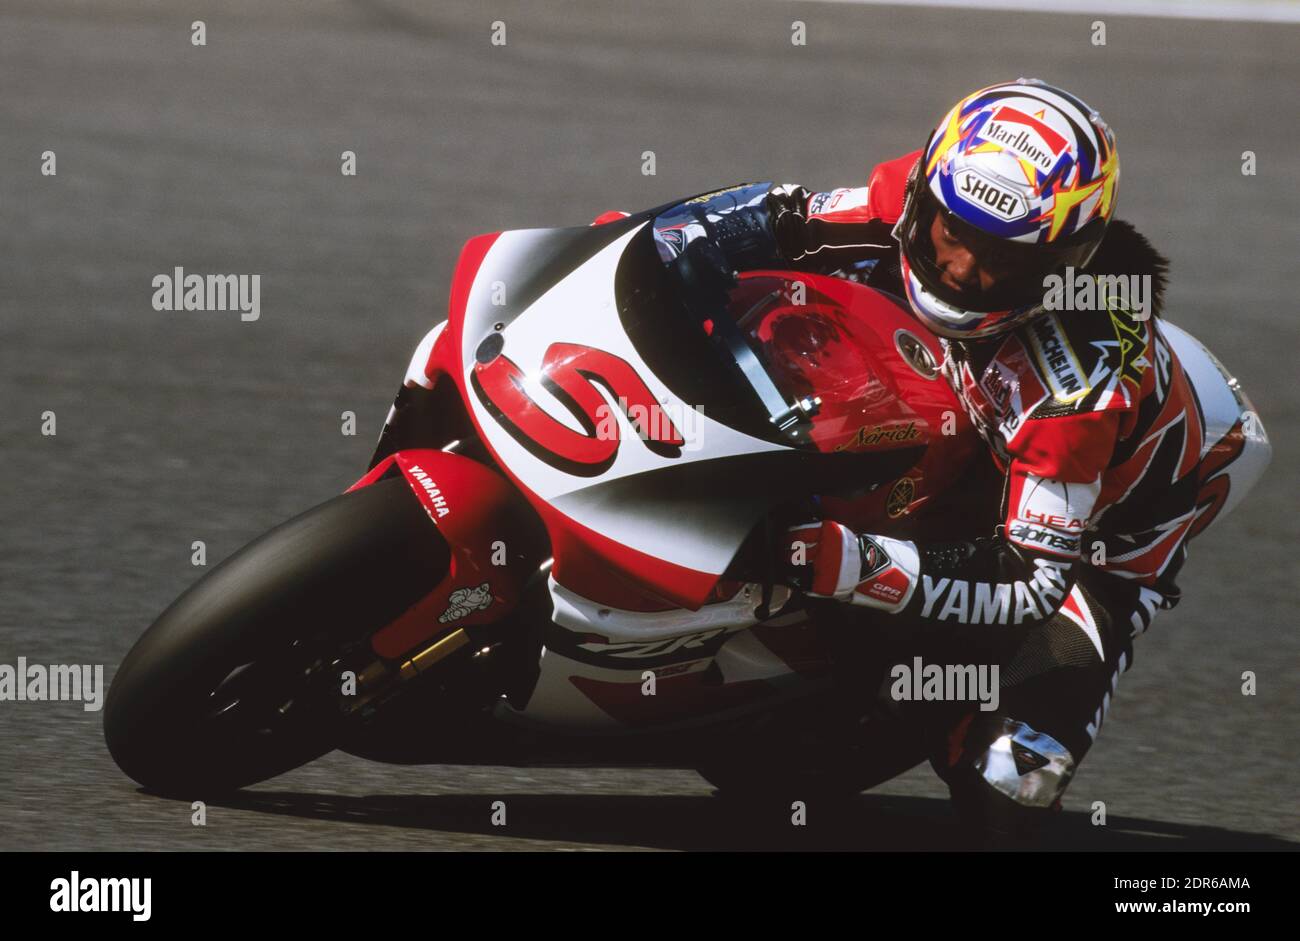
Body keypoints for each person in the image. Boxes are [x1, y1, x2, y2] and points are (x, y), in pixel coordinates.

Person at [722, 79, 1208, 840]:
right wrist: (638, 247)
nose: (961, 270)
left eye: (1001, 257)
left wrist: (846, 562)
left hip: (1100, 532)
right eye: (952, 232)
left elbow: (1034, 575)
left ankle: (957, 702)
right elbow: (766, 220)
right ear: (927, 193)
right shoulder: (928, 191)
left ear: (1062, 262)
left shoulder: (1078, 384)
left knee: (1008, 788)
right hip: (968, 431)